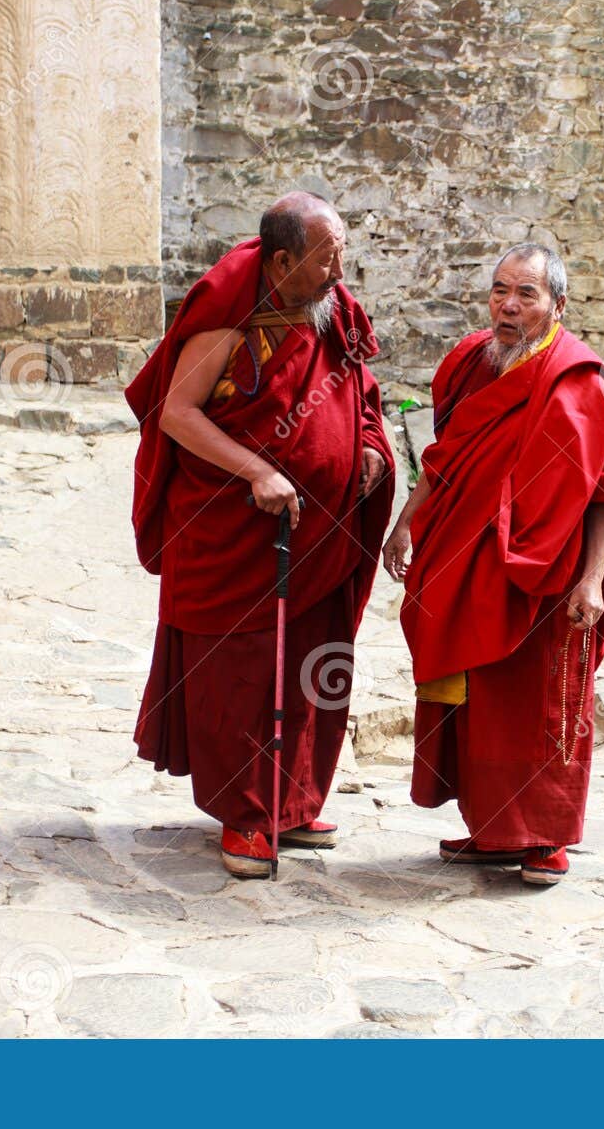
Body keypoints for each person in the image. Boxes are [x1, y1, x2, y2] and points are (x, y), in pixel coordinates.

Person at [126, 192, 394, 878]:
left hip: (320, 534)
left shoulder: (327, 304)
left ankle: (294, 801)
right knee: (243, 676)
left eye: (342, 254)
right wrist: (256, 471)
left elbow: (359, 386)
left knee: (311, 665)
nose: (340, 272)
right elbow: (178, 414)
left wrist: (366, 441)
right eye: (325, 259)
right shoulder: (229, 311)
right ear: (281, 261)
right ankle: (246, 813)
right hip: (237, 533)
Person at [383, 243, 604, 885]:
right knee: (483, 704)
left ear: (557, 305)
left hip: (551, 574)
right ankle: (495, 829)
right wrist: (405, 522)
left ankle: (546, 837)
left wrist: (592, 579)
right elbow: (447, 454)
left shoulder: (579, 379)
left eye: (526, 295)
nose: (508, 306)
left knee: (542, 705)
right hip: (470, 560)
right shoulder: (472, 365)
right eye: (500, 291)